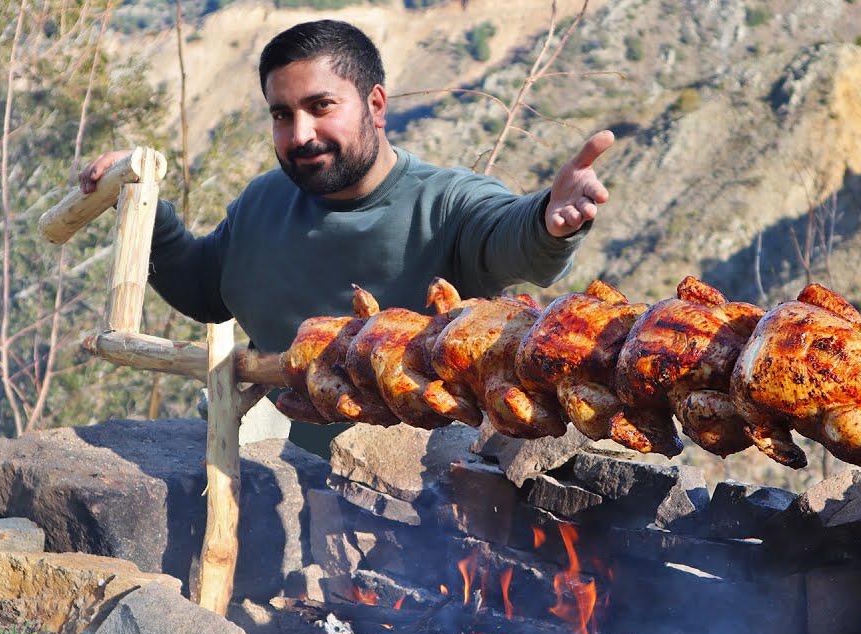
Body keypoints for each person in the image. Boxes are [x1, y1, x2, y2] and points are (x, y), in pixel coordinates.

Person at [79, 19, 614, 456]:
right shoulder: (264, 200)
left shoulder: (447, 201)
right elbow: (203, 288)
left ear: (376, 106)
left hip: (417, 493)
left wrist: (548, 219)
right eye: (282, 115)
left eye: (321, 106)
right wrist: (142, 205)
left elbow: (509, 236)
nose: (301, 134)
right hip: (274, 471)